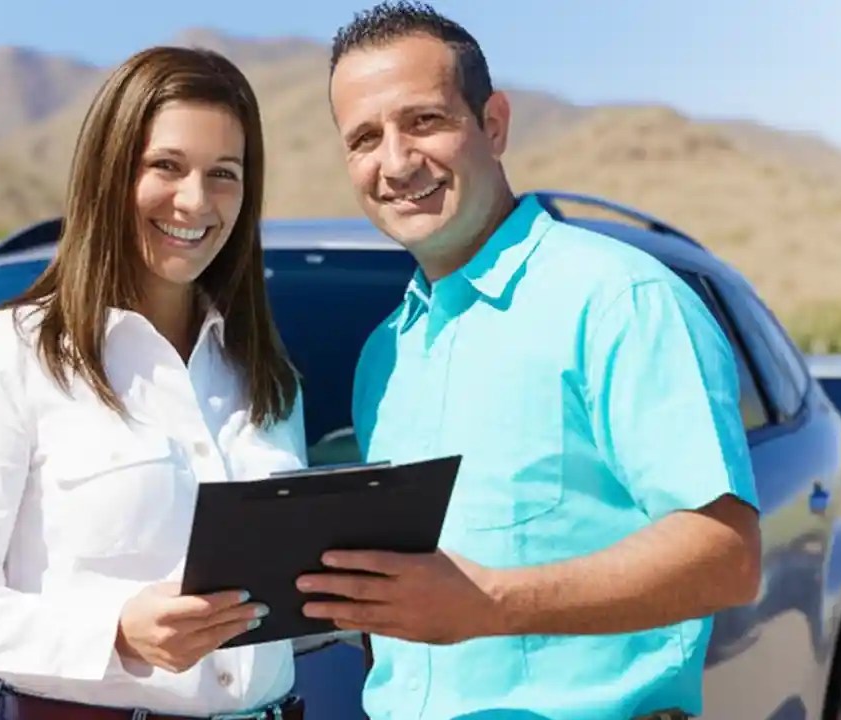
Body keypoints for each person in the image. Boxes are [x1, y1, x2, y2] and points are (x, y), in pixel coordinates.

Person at [294, 3, 763, 719]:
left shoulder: (619, 299)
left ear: (494, 124)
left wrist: (490, 605)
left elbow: (727, 555)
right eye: (364, 138)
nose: (395, 162)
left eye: (423, 121)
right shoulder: (384, 357)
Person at [0, 45, 309, 720]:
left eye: (224, 174)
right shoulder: (1, 358)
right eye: (166, 167)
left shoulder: (264, 375)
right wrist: (114, 633)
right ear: (108, 172)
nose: (196, 201)